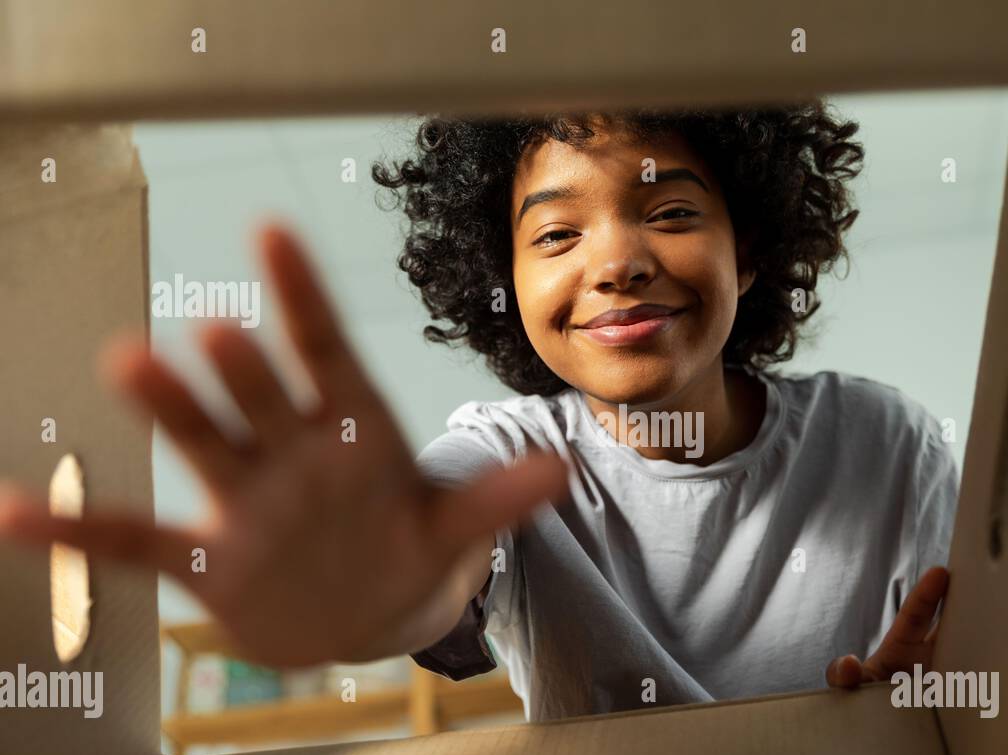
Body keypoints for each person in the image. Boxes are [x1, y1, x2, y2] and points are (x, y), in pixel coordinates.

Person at [0, 101, 958, 723]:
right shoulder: (501, 457)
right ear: (503, 284)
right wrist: (355, 581)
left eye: (669, 213)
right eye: (556, 233)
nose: (616, 261)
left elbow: (981, 669)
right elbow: (424, 561)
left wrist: (927, 714)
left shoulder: (889, 444)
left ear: (747, 254)